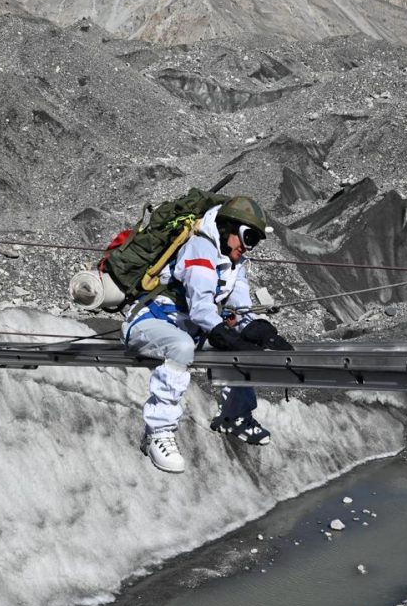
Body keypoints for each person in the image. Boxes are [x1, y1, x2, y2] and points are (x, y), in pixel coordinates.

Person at [121, 195, 294, 474]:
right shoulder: (200, 247)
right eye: (248, 237)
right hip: (149, 321)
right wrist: (224, 332)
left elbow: (241, 306)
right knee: (181, 346)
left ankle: (234, 415)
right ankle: (157, 432)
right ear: (229, 229)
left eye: (255, 241)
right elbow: (202, 308)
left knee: (239, 343)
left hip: (186, 326)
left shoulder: (235, 261)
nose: (249, 247)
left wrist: (261, 331)